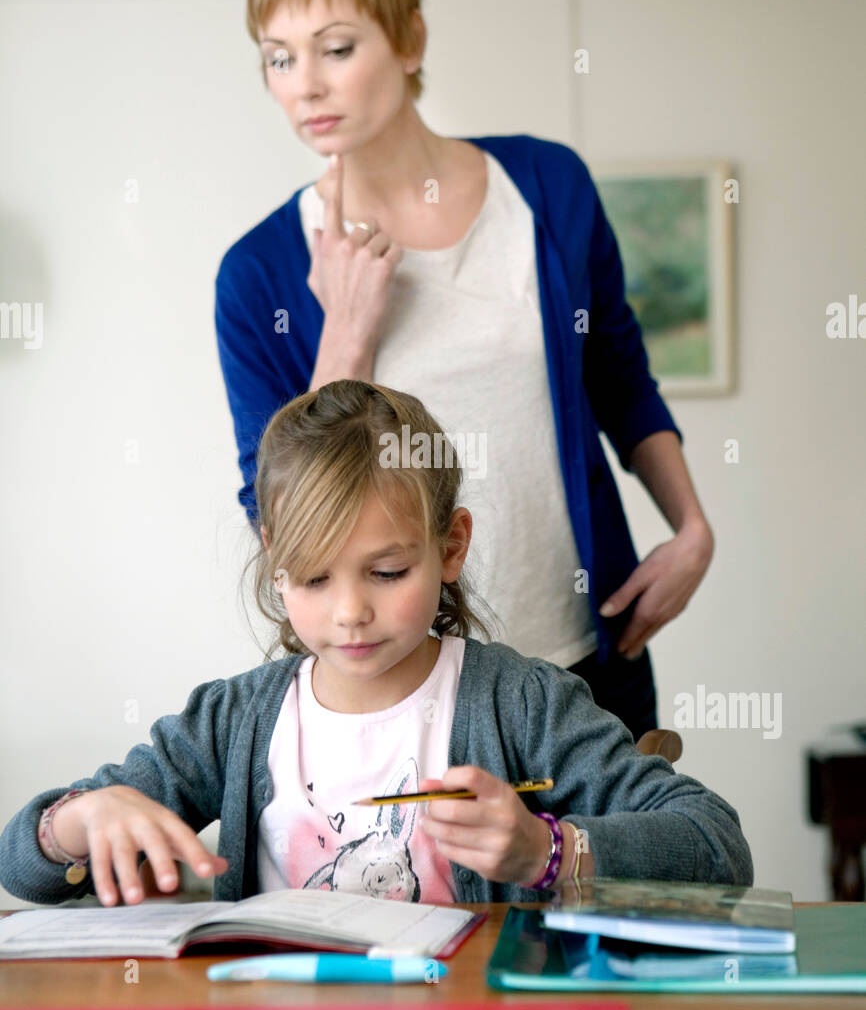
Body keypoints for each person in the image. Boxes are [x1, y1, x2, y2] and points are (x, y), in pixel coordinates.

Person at [215, 0, 715, 744]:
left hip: (585, 659)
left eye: (336, 48)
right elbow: (277, 508)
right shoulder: (258, 272)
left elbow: (620, 377)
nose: (305, 84)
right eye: (278, 57)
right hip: (398, 687)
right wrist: (346, 331)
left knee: (614, 875)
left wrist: (692, 531)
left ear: (410, 40)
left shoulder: (546, 186)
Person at [0, 381, 751, 910]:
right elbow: (23, 870)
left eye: (387, 572)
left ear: (451, 546)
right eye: (315, 576)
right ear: (274, 559)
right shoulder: (232, 721)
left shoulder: (522, 704)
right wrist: (75, 824)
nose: (351, 611)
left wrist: (548, 853)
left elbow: (717, 848)